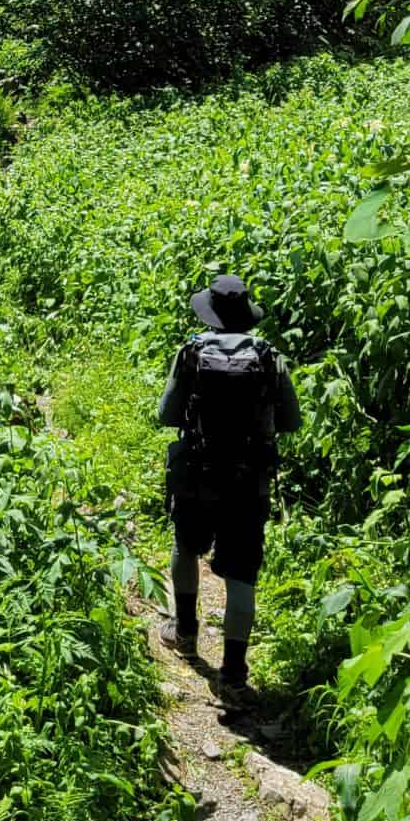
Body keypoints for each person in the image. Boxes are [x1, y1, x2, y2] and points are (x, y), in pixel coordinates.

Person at [155, 272, 301, 704]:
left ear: (211, 314)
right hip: (248, 482)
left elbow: (167, 414)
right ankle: (234, 675)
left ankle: (184, 631)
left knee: (186, 546)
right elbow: (292, 421)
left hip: (197, 473)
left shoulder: (191, 352)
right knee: (241, 576)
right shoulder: (269, 356)